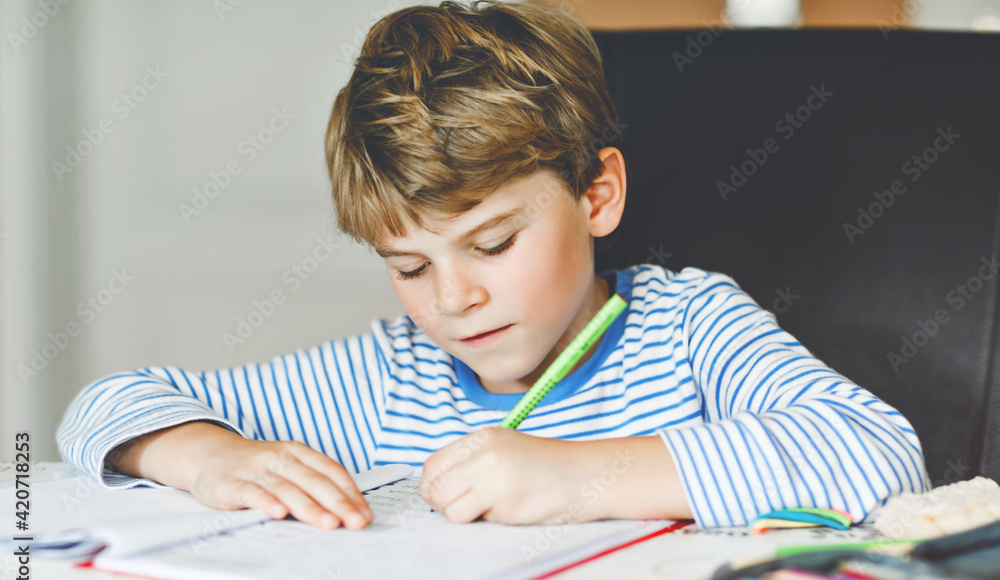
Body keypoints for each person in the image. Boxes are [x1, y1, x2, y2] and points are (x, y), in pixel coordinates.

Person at [56, 0, 930, 533]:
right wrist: (211, 460)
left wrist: (576, 477)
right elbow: (106, 405)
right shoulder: (391, 375)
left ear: (596, 195)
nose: (452, 299)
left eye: (492, 243)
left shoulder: (690, 330)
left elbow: (880, 454)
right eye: (408, 264)